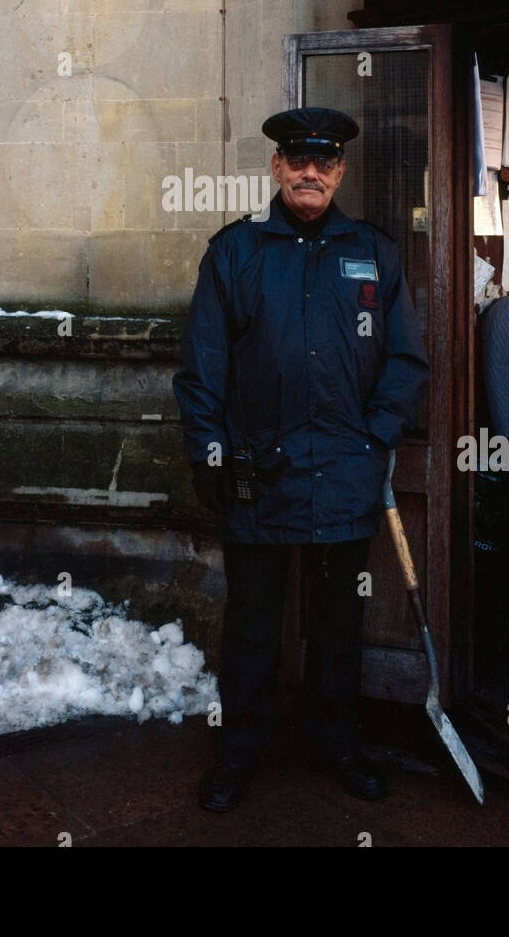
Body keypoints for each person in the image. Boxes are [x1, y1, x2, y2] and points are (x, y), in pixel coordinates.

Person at [173, 107, 430, 811]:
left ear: (340, 170)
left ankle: (336, 742)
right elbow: (202, 369)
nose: (309, 172)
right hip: (258, 475)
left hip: (344, 476)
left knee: (338, 623)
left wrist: (374, 437)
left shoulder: (372, 251)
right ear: (276, 168)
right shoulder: (235, 251)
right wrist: (211, 454)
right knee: (253, 624)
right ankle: (239, 752)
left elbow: (405, 360)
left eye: (323, 161)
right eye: (296, 160)